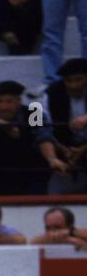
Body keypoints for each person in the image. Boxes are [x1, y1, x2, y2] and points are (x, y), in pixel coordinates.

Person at [0, 79, 62, 195]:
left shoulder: (34, 113)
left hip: (31, 177)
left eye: (9, 101)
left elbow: (43, 137)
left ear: (19, 101)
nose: (4, 107)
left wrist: (52, 159)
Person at [44, 57, 87, 194]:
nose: (73, 85)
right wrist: (60, 149)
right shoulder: (45, 95)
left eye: (78, 79)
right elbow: (35, 124)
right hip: (61, 149)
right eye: (68, 80)